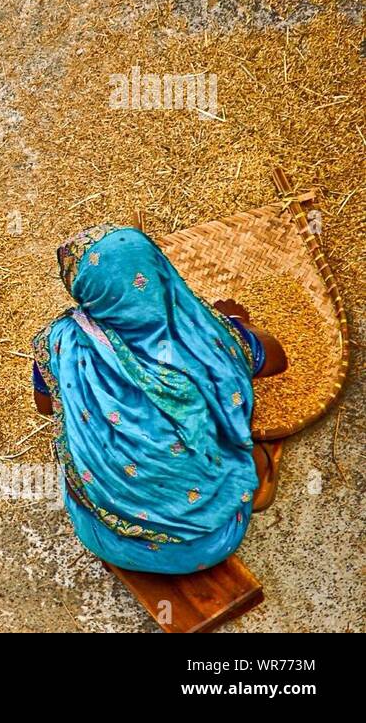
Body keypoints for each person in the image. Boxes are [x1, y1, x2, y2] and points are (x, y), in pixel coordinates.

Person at [31, 224, 287, 574]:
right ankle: (254, 482)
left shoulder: (59, 342)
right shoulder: (204, 333)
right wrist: (236, 324)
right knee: (242, 440)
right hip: (218, 537)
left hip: (105, 537)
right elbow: (276, 358)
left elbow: (45, 407)